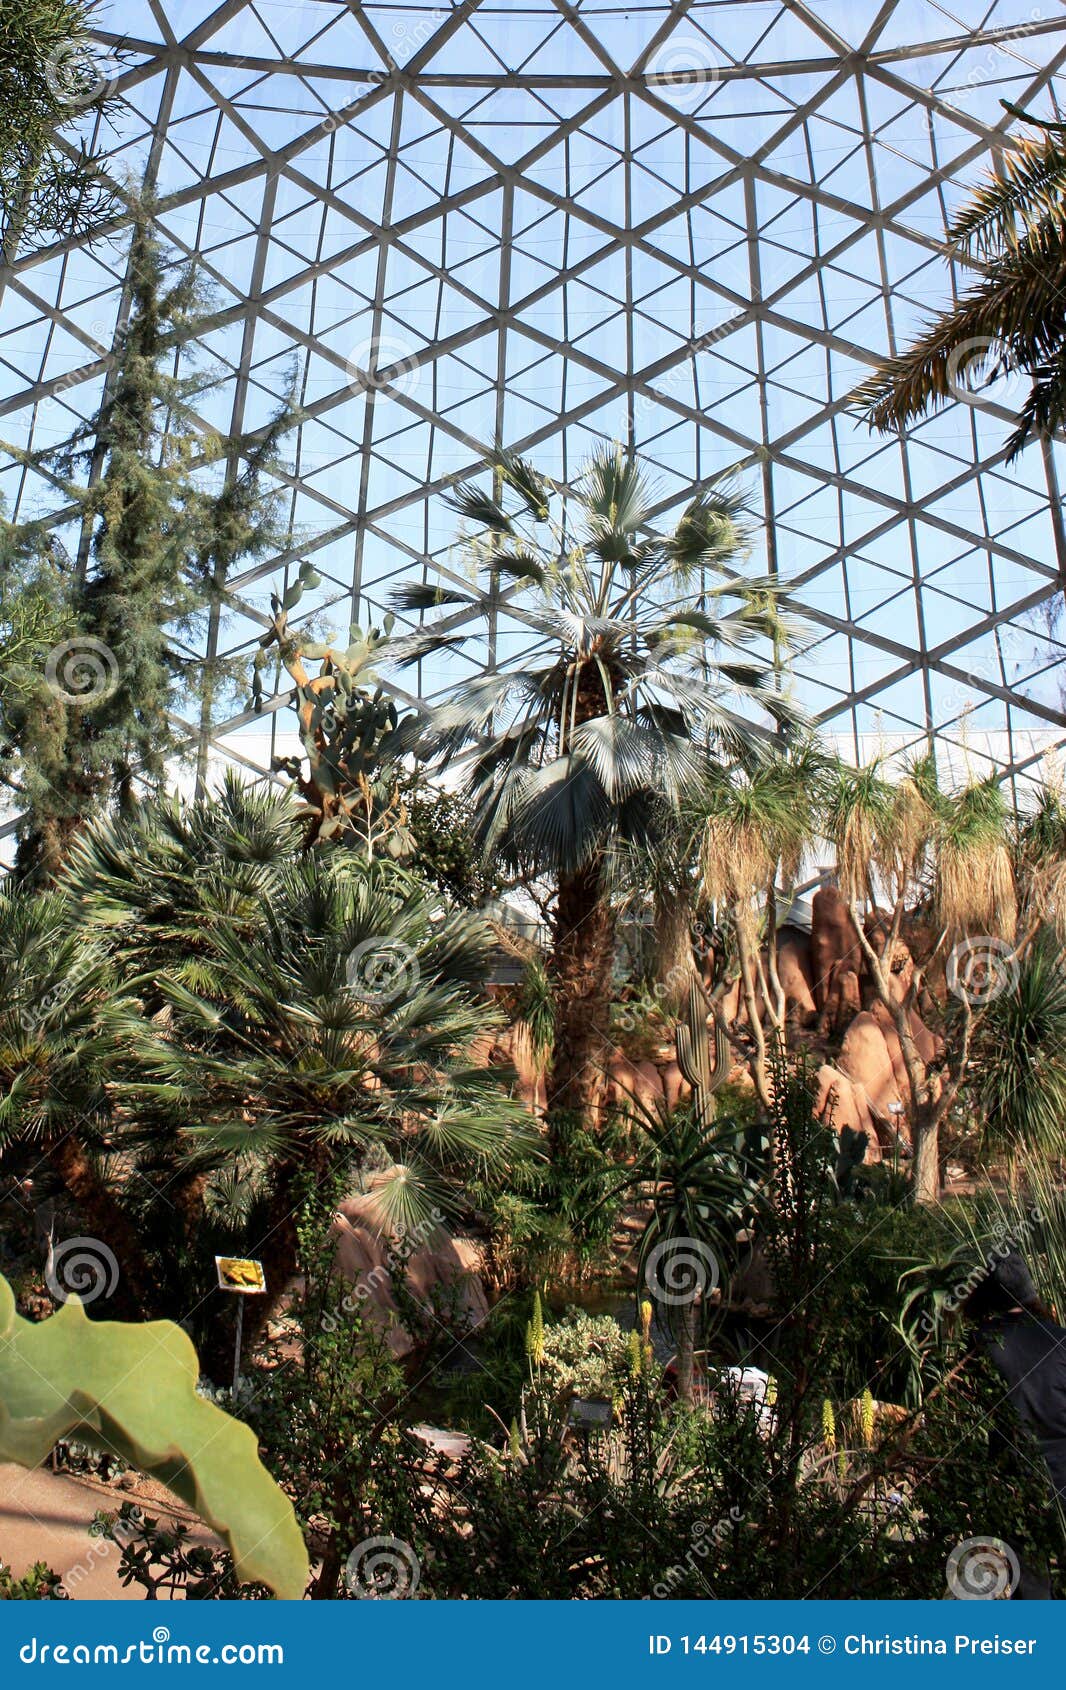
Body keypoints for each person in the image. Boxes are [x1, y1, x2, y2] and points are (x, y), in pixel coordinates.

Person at [963, 1251, 1066, 1599]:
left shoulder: (981, 1344)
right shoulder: (1061, 1340)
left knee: (1033, 1587)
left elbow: (968, 1408)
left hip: (1017, 1484)